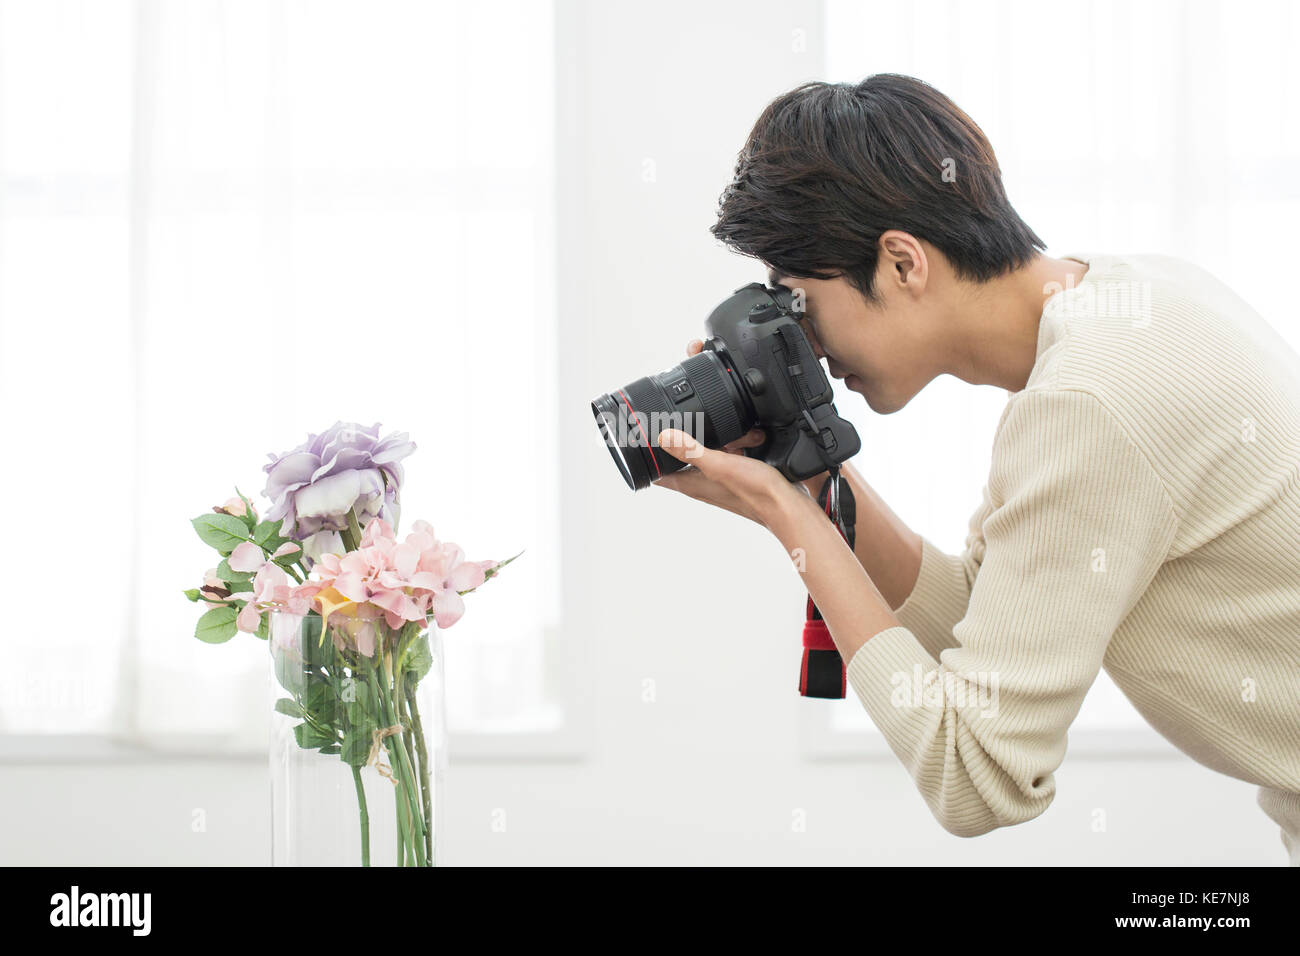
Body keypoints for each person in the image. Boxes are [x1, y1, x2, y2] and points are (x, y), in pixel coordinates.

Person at [654, 74, 1300, 864]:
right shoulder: (1127, 303)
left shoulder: (1088, 402)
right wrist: (814, 478)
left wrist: (790, 524)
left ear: (901, 264)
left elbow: (978, 777)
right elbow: (985, 622)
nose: (806, 345)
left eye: (798, 302)